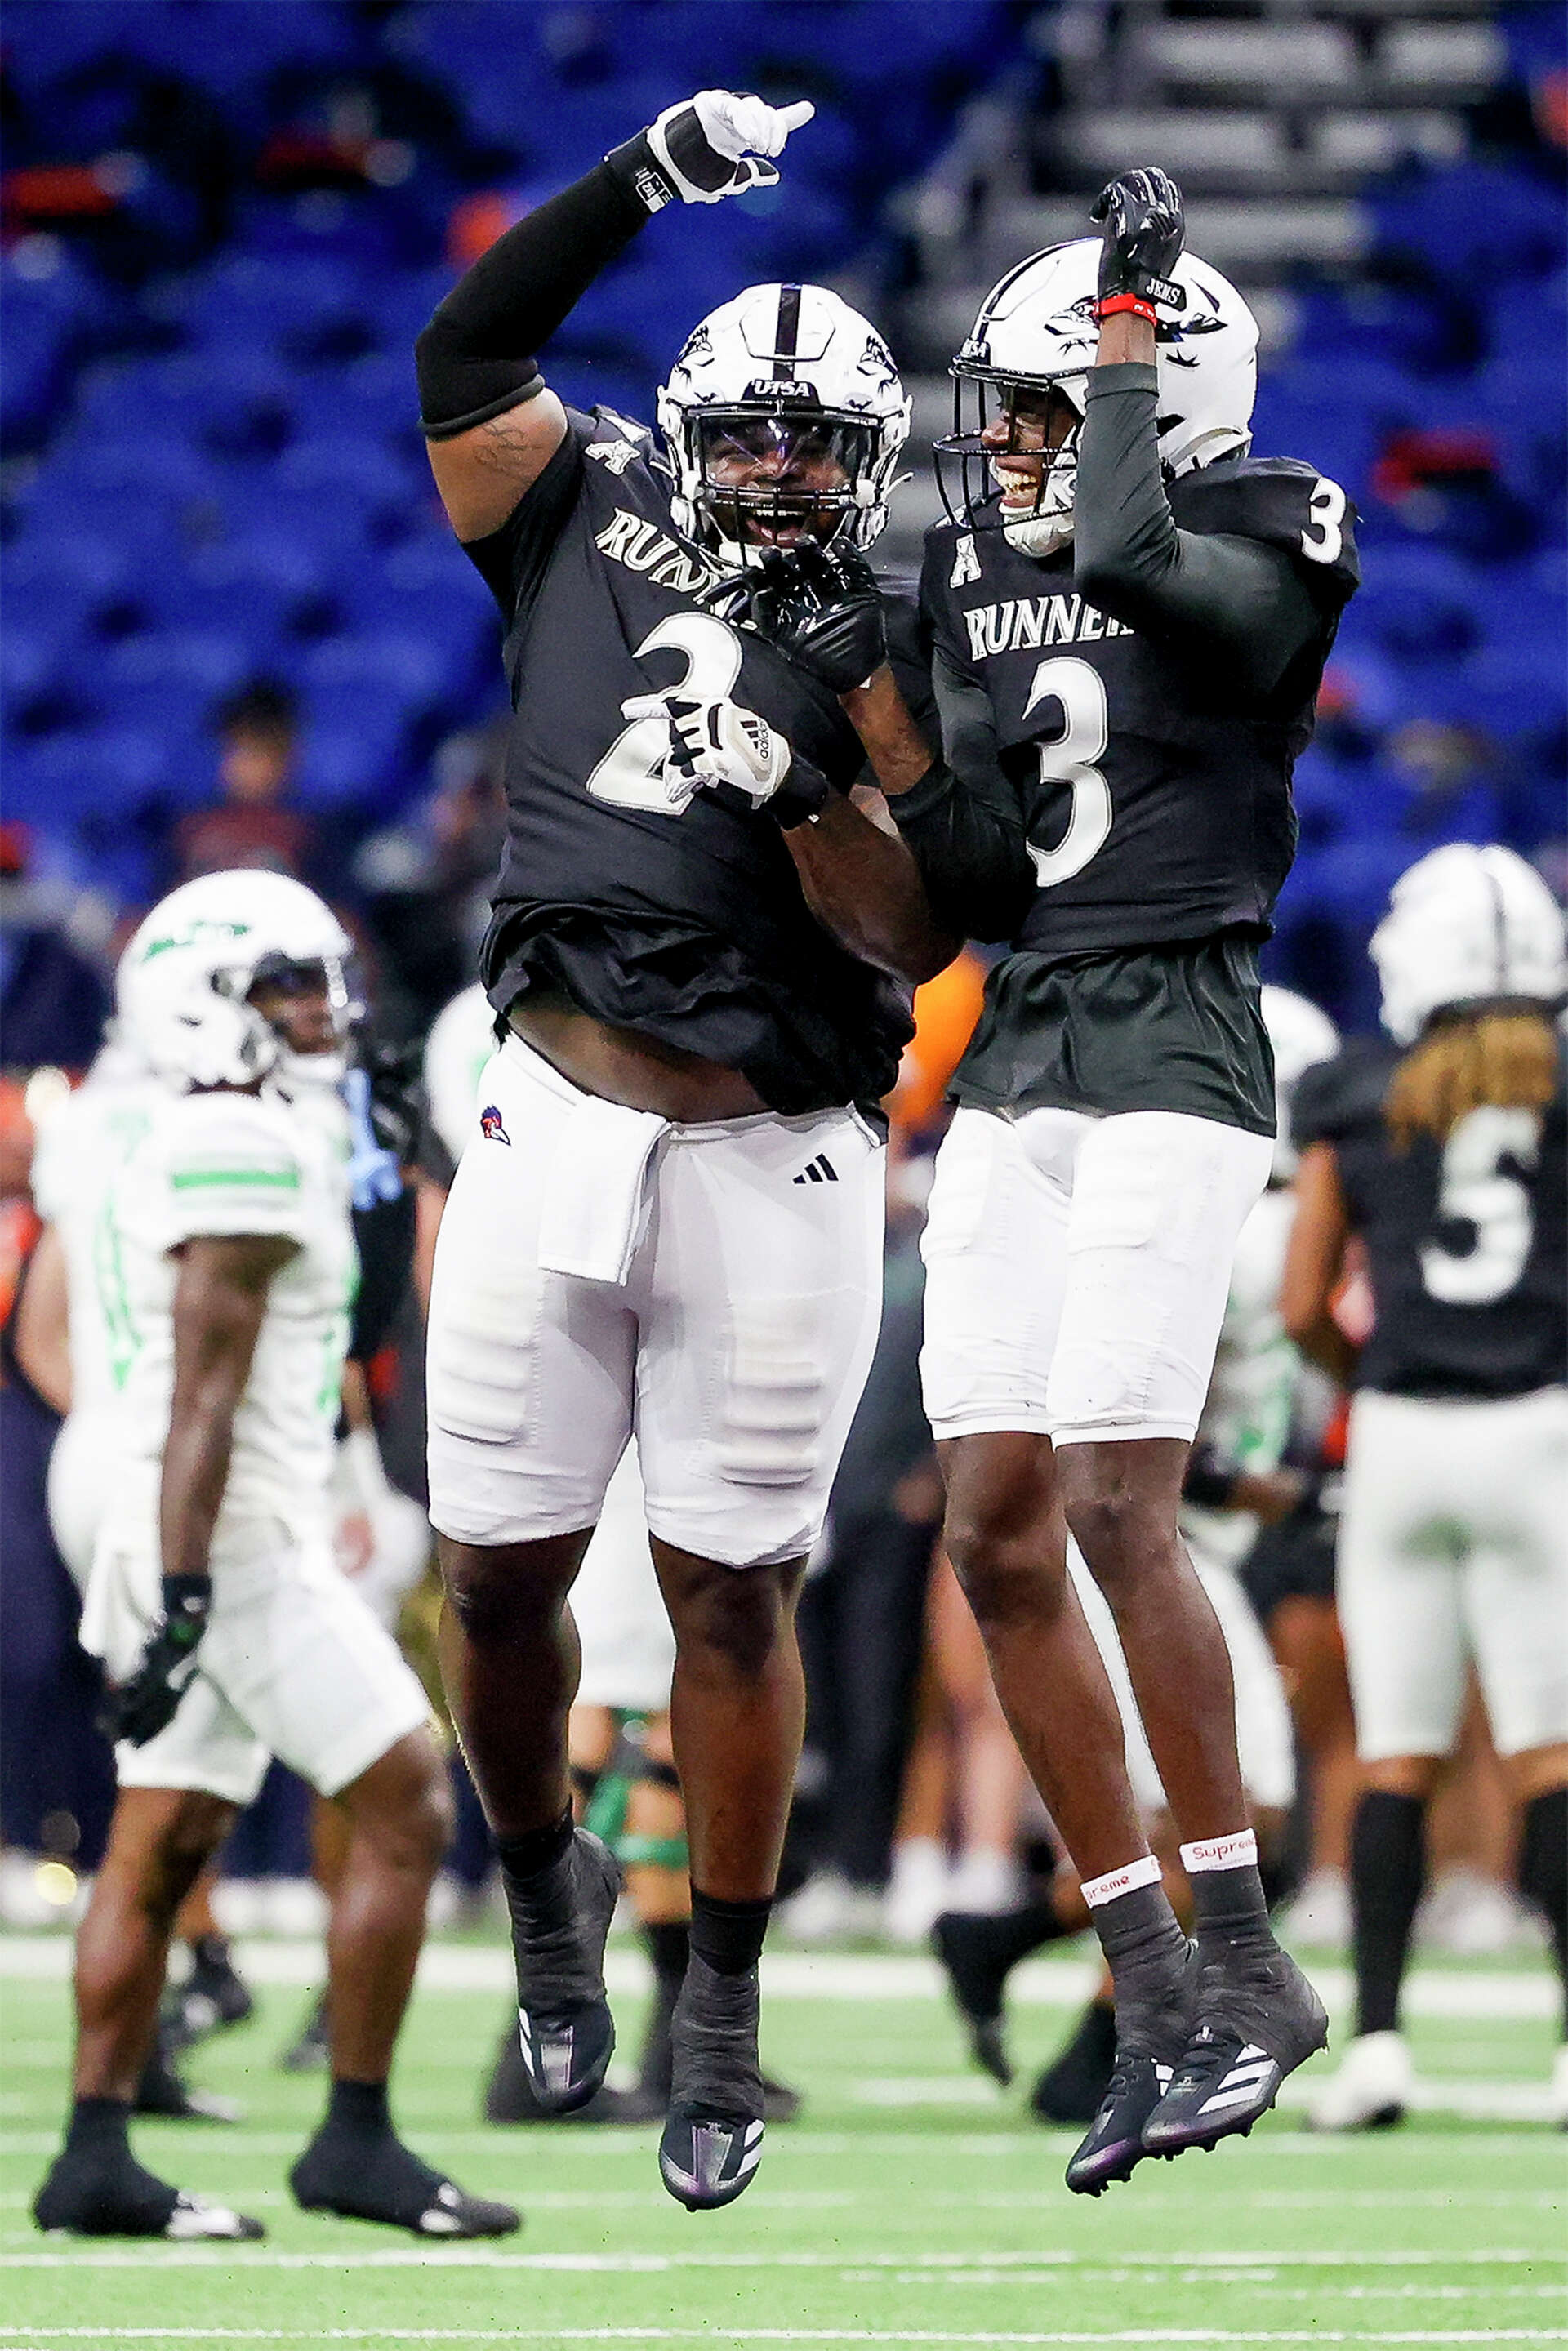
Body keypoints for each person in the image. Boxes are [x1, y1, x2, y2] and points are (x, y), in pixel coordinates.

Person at [746, 170, 1359, 2188]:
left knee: (1114, 1497)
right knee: (997, 1528)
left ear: (1151, 393)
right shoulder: (973, 575)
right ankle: (1150, 1987)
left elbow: (1126, 543)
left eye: (1036, 408)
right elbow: (967, 897)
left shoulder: (1278, 518)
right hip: (1021, 1051)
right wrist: (858, 736)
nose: (1002, 447)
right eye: (1004, 409)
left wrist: (1113, 331)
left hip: (1181, 1034)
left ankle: (1247, 1952)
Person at [413, 91, 948, 2210]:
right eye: (756, 436)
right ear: (694, 432)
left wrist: (803, 790)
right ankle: (544, 1896)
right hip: (553, 1110)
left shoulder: (888, 642)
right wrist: (644, 176)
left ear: (865, 461)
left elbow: (919, 927)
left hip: (773, 1155)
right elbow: (466, 349)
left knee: (732, 1600)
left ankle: (718, 2011)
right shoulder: (578, 503)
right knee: (493, 1578)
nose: (784, 470)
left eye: (819, 445)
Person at [32, 872, 518, 2243]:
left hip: (177, 1506)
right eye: (288, 985)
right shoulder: (238, 1139)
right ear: (203, 1004)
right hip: (225, 1522)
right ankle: (354, 2139)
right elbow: (206, 1392)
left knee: (166, 1830)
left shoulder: (194, 1125)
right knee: (409, 1798)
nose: (325, 1008)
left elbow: (269, 1353)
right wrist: (189, 1585)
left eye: (323, 978)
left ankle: (94, 2156)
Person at [933, 985, 1335, 2118]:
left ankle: (1026, 1959)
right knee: (1244, 1818)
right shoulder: (1206, 1214)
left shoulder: (1239, 1211)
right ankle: (1101, 2033)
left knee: (1225, 1818)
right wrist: (1256, 1488)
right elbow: (1110, 1420)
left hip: (1180, 1552)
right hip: (1141, 1550)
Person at [1281, 844, 1567, 2130]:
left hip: (1399, 1436)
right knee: (1549, 1752)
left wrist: (1374, 1375)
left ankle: (1382, 2046)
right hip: (1542, 1431)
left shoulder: (1355, 1086)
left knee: (1393, 1749)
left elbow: (1305, 1302)